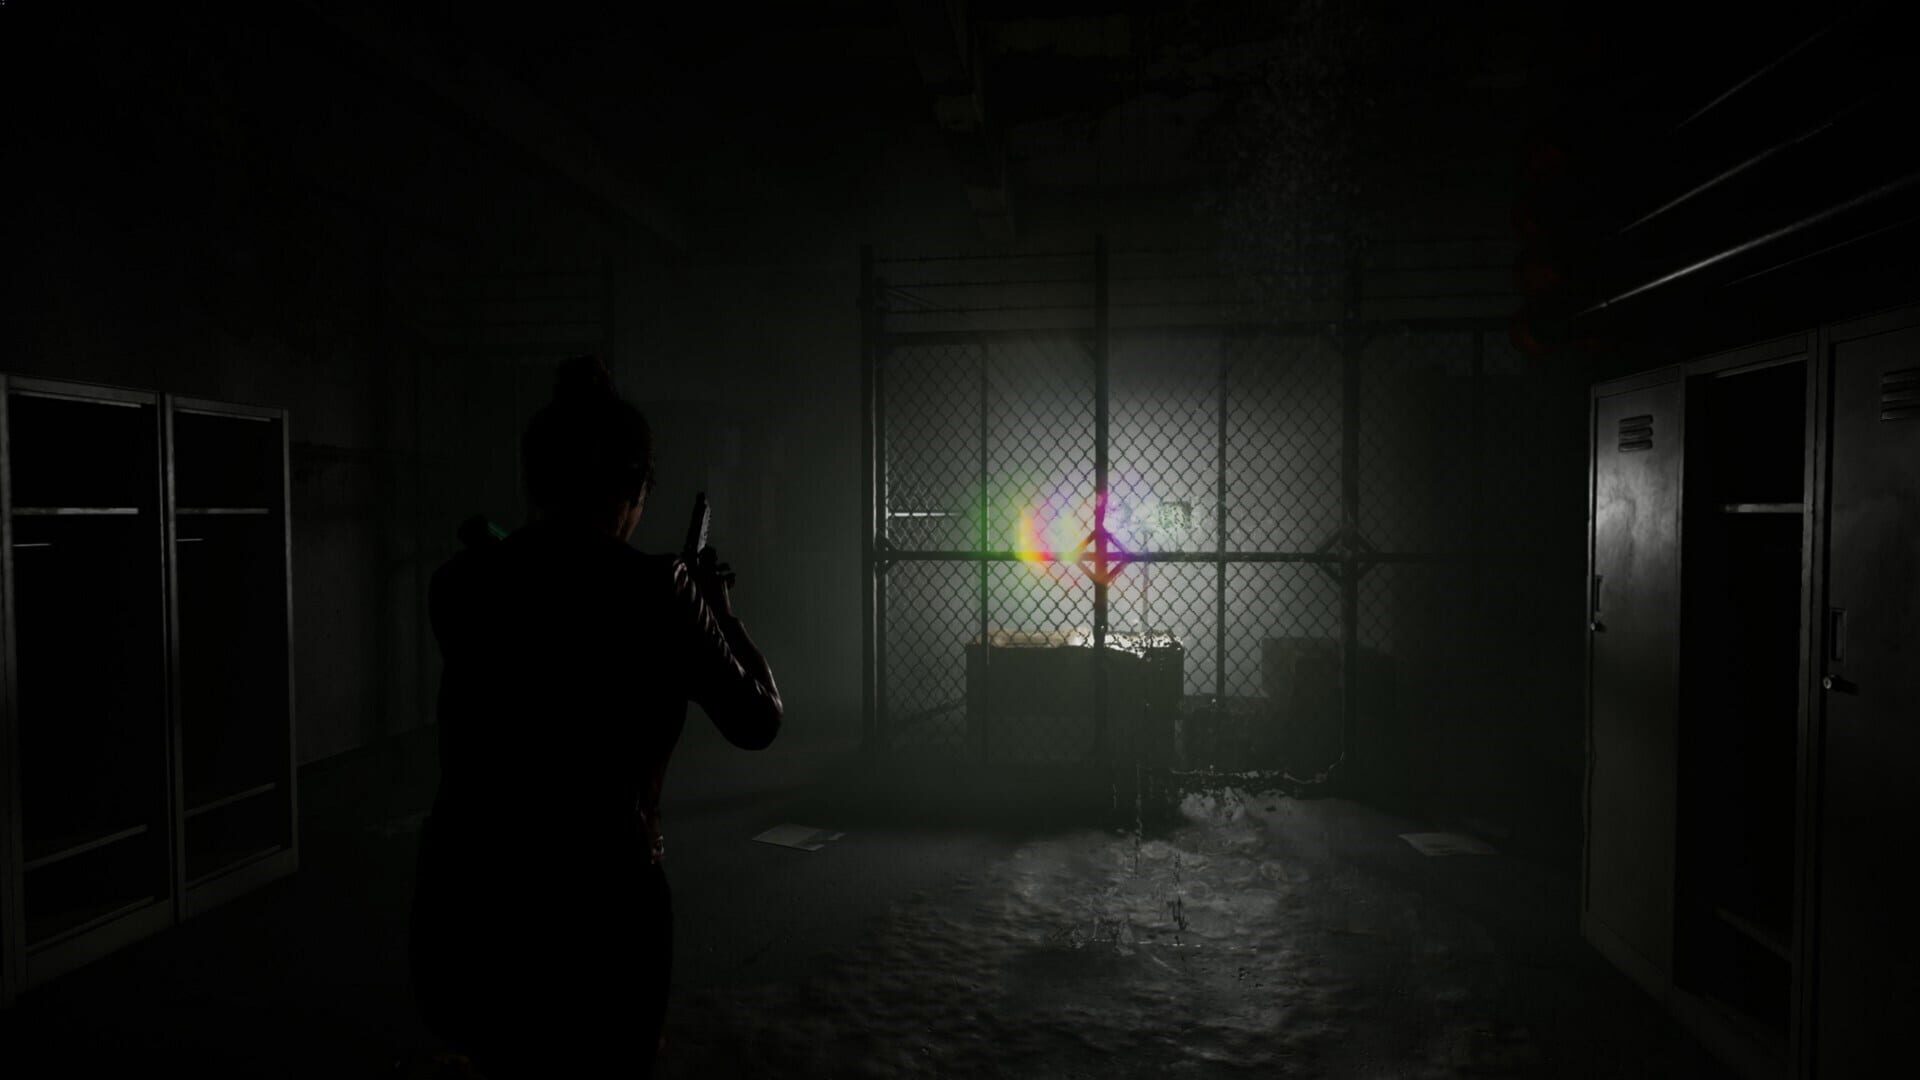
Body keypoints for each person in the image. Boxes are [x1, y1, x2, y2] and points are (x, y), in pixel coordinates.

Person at [408, 356, 782, 1078]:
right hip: (605, 904)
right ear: (633, 491)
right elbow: (758, 720)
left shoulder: (460, 582)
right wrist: (719, 611)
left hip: (470, 892)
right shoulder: (660, 590)